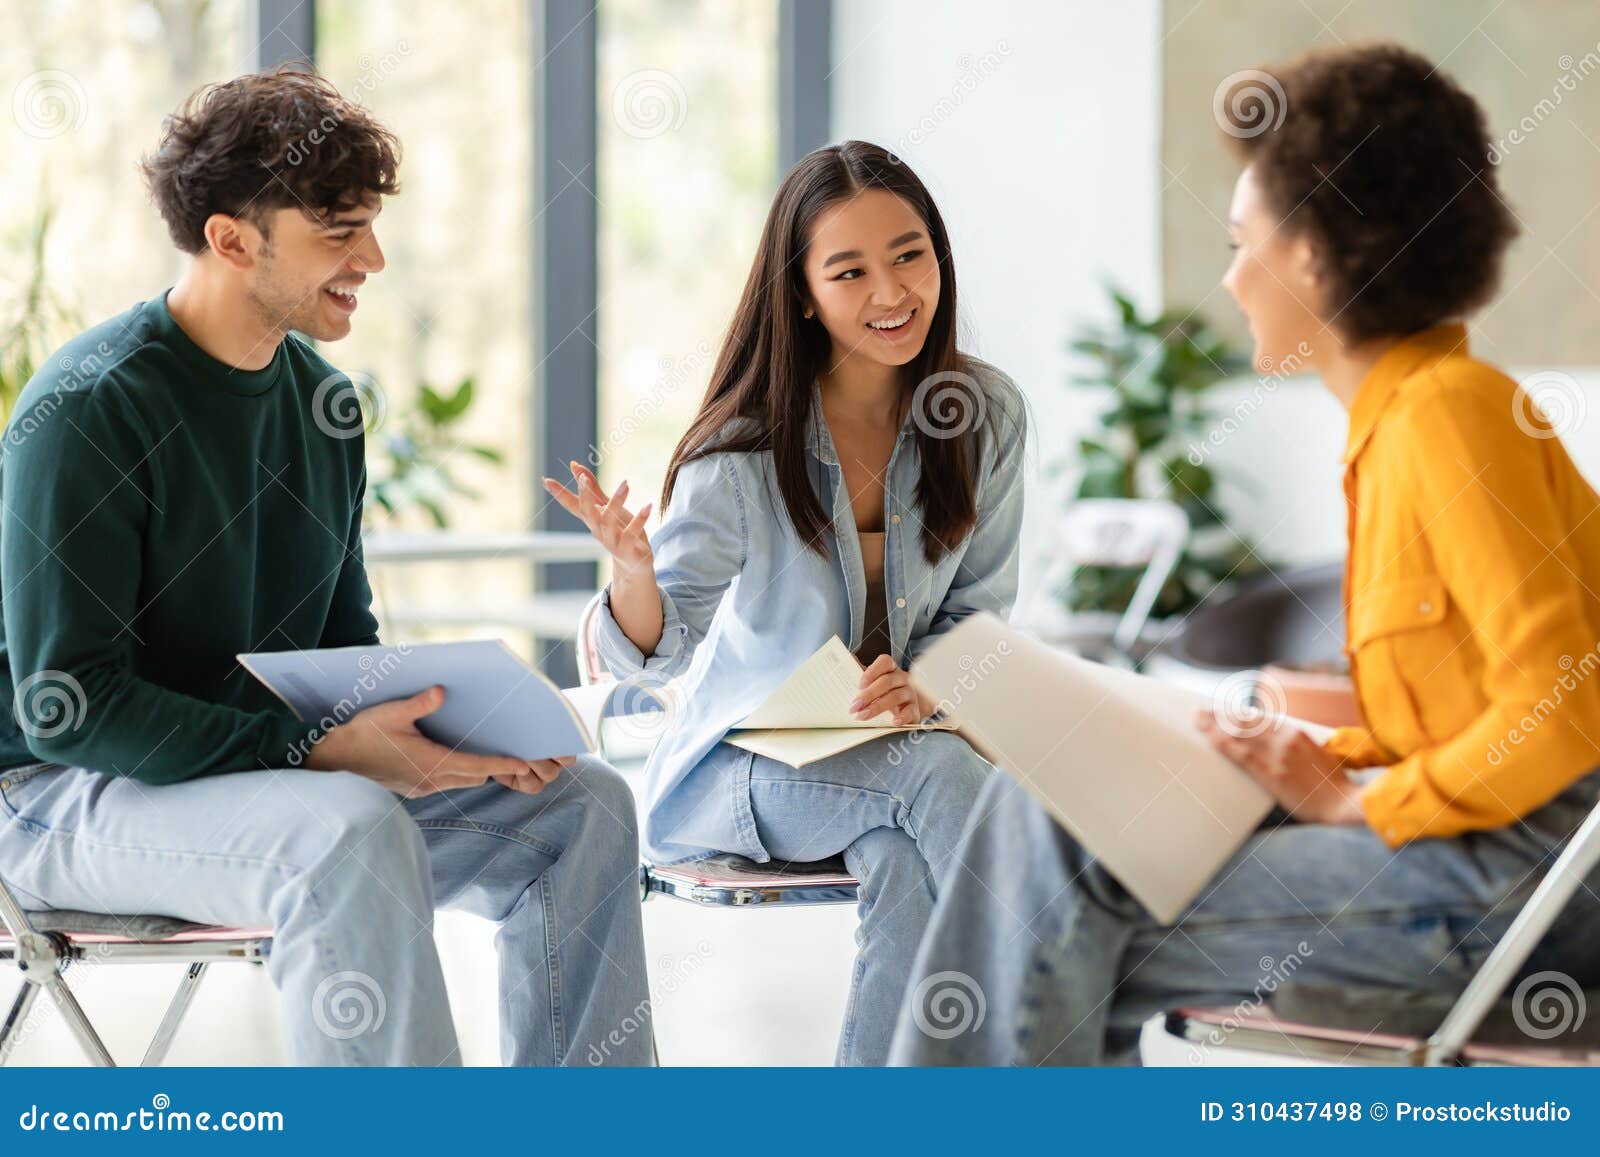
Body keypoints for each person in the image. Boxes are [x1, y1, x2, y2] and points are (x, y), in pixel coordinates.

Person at [890, 42, 1600, 1065]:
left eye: (1242, 243)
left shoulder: (1449, 416)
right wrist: (1307, 761)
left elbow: (1562, 710)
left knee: (1047, 898)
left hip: (1518, 886)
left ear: (1310, 257)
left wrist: (1357, 798)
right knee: (1039, 812)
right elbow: (1469, 713)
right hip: (1478, 857)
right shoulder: (1407, 419)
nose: (1230, 279)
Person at [0, 68, 650, 1066]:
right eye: (339, 232)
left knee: (582, 804)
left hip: (256, 783)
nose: (373, 258)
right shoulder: (92, 408)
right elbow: (72, 705)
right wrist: (319, 753)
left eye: (370, 227)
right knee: (347, 829)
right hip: (58, 796)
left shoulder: (323, 406)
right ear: (230, 240)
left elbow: (341, 655)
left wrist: (445, 736)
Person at [545, 140, 1027, 1065]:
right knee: (946, 784)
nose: (892, 293)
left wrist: (928, 687)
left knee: (904, 862)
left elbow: (981, 611)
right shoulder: (744, 449)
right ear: (803, 291)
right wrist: (635, 574)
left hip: (898, 763)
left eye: (910, 255)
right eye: (850, 271)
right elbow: (660, 651)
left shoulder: (986, 417)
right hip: (743, 768)